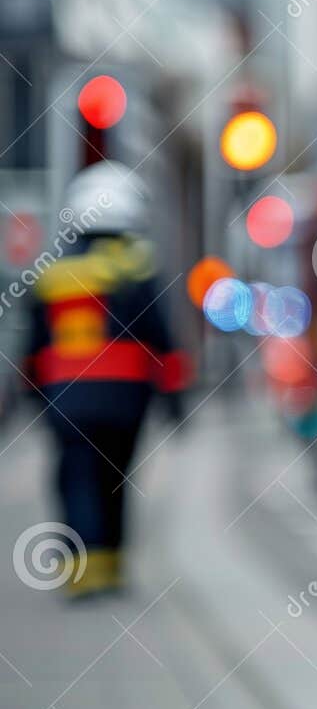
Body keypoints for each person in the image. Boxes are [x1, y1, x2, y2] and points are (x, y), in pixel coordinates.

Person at [22, 162, 188, 599]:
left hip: (68, 400)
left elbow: (34, 347)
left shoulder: (52, 273)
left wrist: (32, 396)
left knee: (76, 479)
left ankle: (82, 574)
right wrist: (175, 399)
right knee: (117, 479)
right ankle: (111, 566)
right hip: (126, 401)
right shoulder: (138, 269)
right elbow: (163, 340)